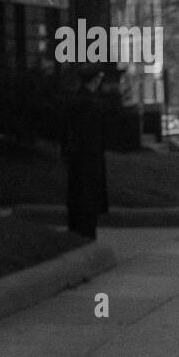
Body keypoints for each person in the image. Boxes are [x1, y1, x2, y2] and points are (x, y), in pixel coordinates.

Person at [61, 68, 107, 238]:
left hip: (76, 157)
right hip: (88, 158)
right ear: (95, 80)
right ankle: (86, 232)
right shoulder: (89, 103)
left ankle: (77, 230)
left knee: (76, 196)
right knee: (87, 198)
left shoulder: (75, 100)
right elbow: (92, 134)